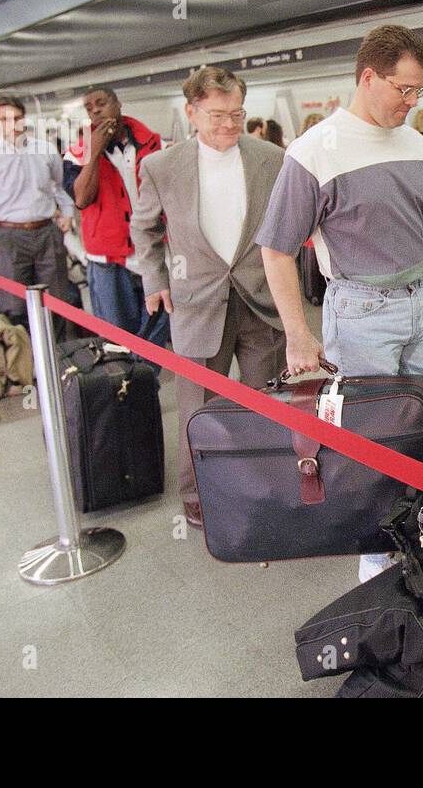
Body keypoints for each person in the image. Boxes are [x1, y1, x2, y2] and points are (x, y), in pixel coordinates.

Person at [256, 24, 423, 583]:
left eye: (418, 91)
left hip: (420, 305)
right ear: (368, 76)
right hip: (357, 311)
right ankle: (379, 562)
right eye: (403, 89)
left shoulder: (417, 144)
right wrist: (298, 335)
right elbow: (276, 250)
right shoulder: (312, 153)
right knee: (377, 442)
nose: (411, 101)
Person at [130, 66, 287, 529]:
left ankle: (271, 485)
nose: (228, 125)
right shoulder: (161, 167)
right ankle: (197, 493)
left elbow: (286, 226)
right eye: (217, 115)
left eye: (237, 114)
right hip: (195, 300)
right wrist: (155, 280)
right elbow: (143, 228)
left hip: (259, 298)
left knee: (268, 398)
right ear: (191, 113)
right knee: (197, 405)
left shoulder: (270, 158)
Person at [63, 86, 170, 361]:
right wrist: (94, 152)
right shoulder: (77, 152)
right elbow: (82, 198)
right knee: (117, 342)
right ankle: (127, 391)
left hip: (153, 253)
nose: (96, 110)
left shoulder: (154, 144)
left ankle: (145, 385)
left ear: (118, 103)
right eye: (89, 107)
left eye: (101, 103)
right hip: (108, 260)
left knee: (156, 334)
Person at [0, 92, 76, 327]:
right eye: (4, 120)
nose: (12, 125)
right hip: (9, 235)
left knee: (56, 301)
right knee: (14, 306)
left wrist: (67, 213)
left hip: (46, 231)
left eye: (17, 118)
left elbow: (60, 185)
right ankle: (27, 358)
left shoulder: (45, 150)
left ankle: (56, 357)